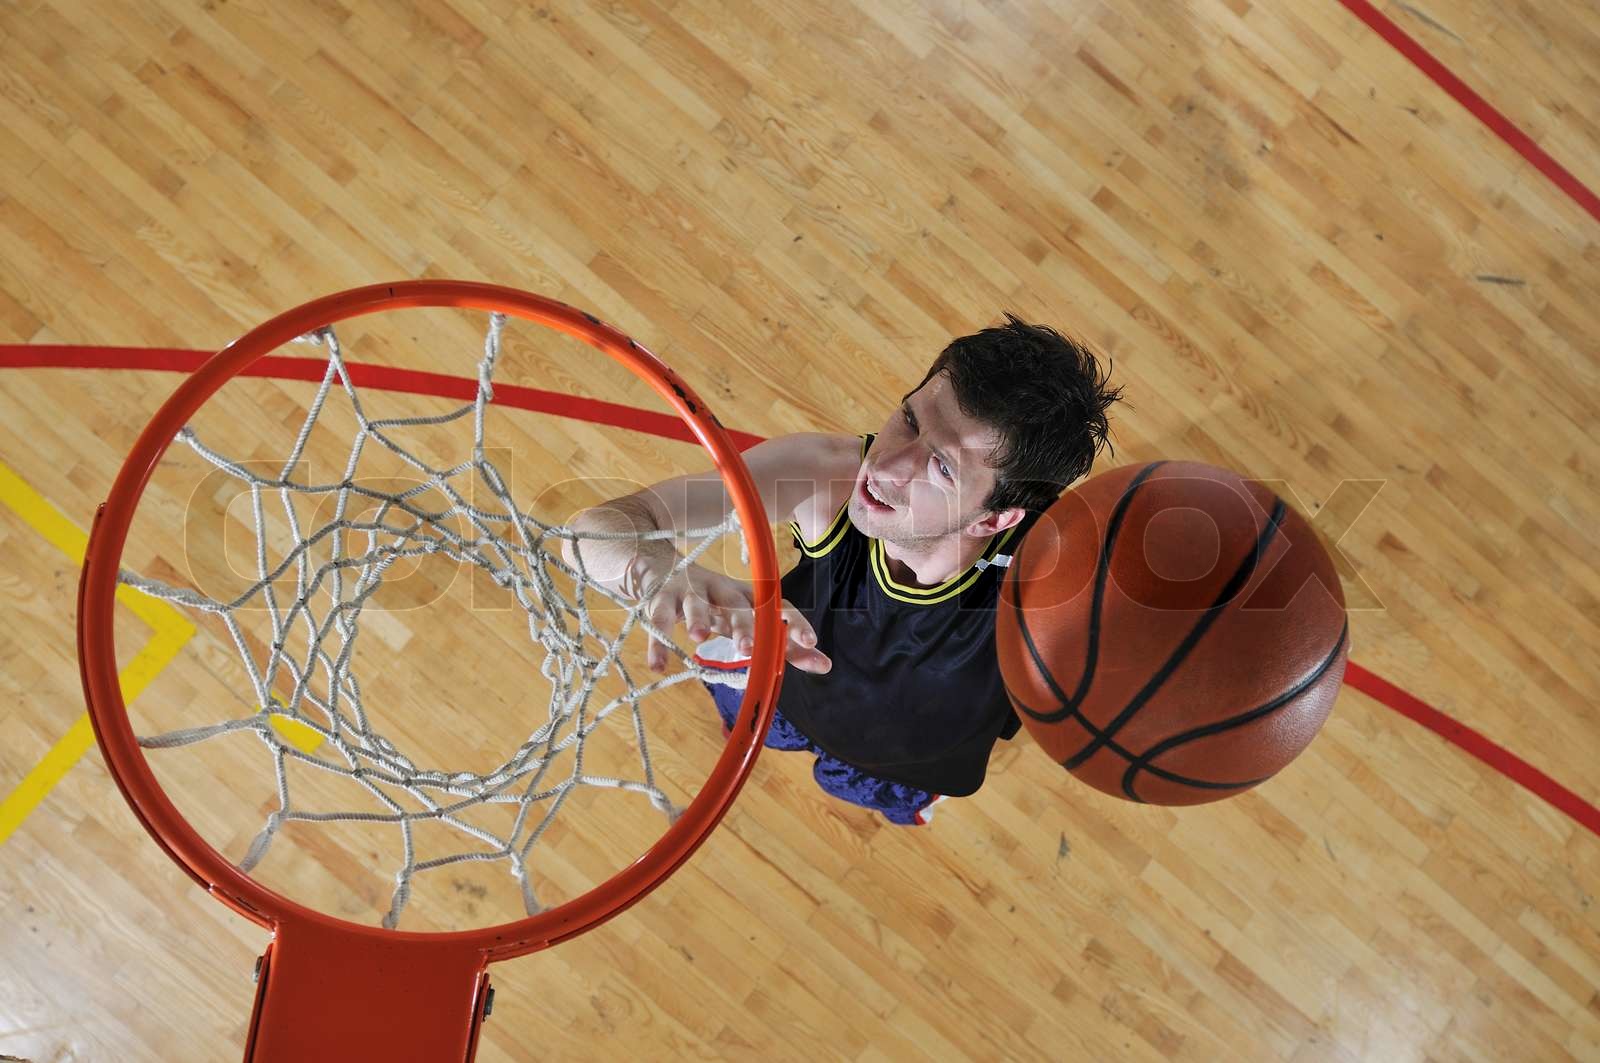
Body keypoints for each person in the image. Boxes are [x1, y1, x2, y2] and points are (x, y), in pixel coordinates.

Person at [563, 313, 1125, 826]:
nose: (887, 464)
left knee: (854, 791)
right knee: (750, 721)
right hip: (778, 691)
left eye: (941, 467)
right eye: (909, 419)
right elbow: (593, 532)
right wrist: (657, 569)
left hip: (904, 763)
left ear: (994, 519)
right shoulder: (824, 474)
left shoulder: (1058, 580)